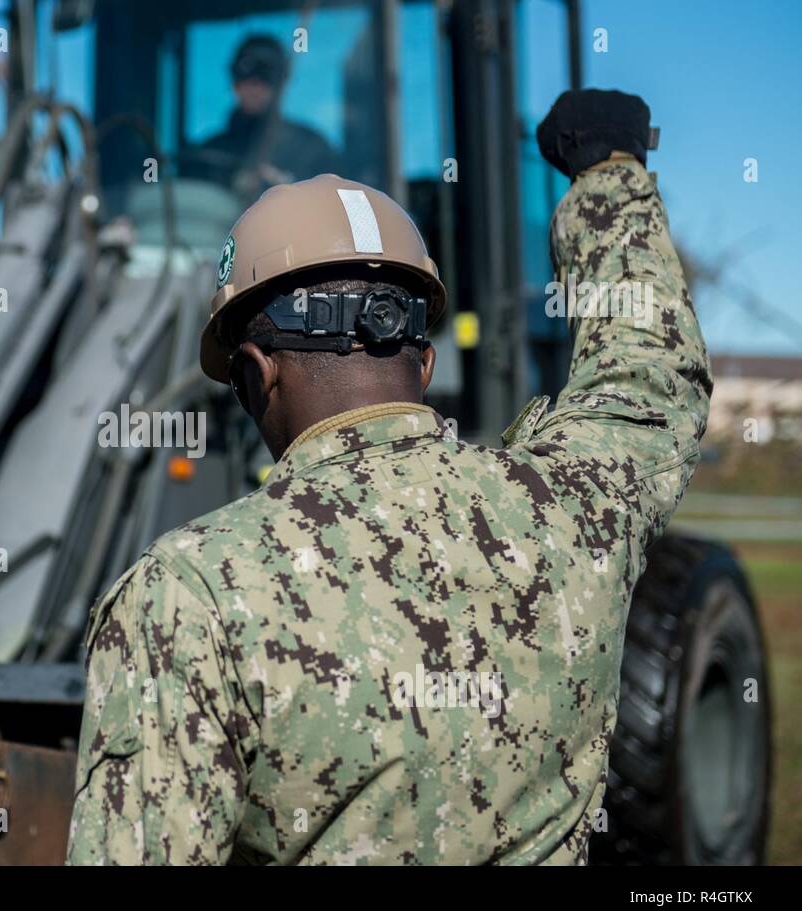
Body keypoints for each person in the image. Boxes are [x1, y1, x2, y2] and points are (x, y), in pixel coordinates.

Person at [66, 89, 709, 864]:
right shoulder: (576, 510)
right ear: (425, 362)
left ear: (254, 374)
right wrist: (609, 175)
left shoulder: (187, 597)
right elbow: (646, 381)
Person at [179, 34, 339, 198]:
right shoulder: (204, 157)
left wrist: (284, 187)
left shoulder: (313, 150)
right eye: (242, 74)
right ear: (233, 82)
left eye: (265, 75)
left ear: (283, 82)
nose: (252, 85)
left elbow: (331, 212)